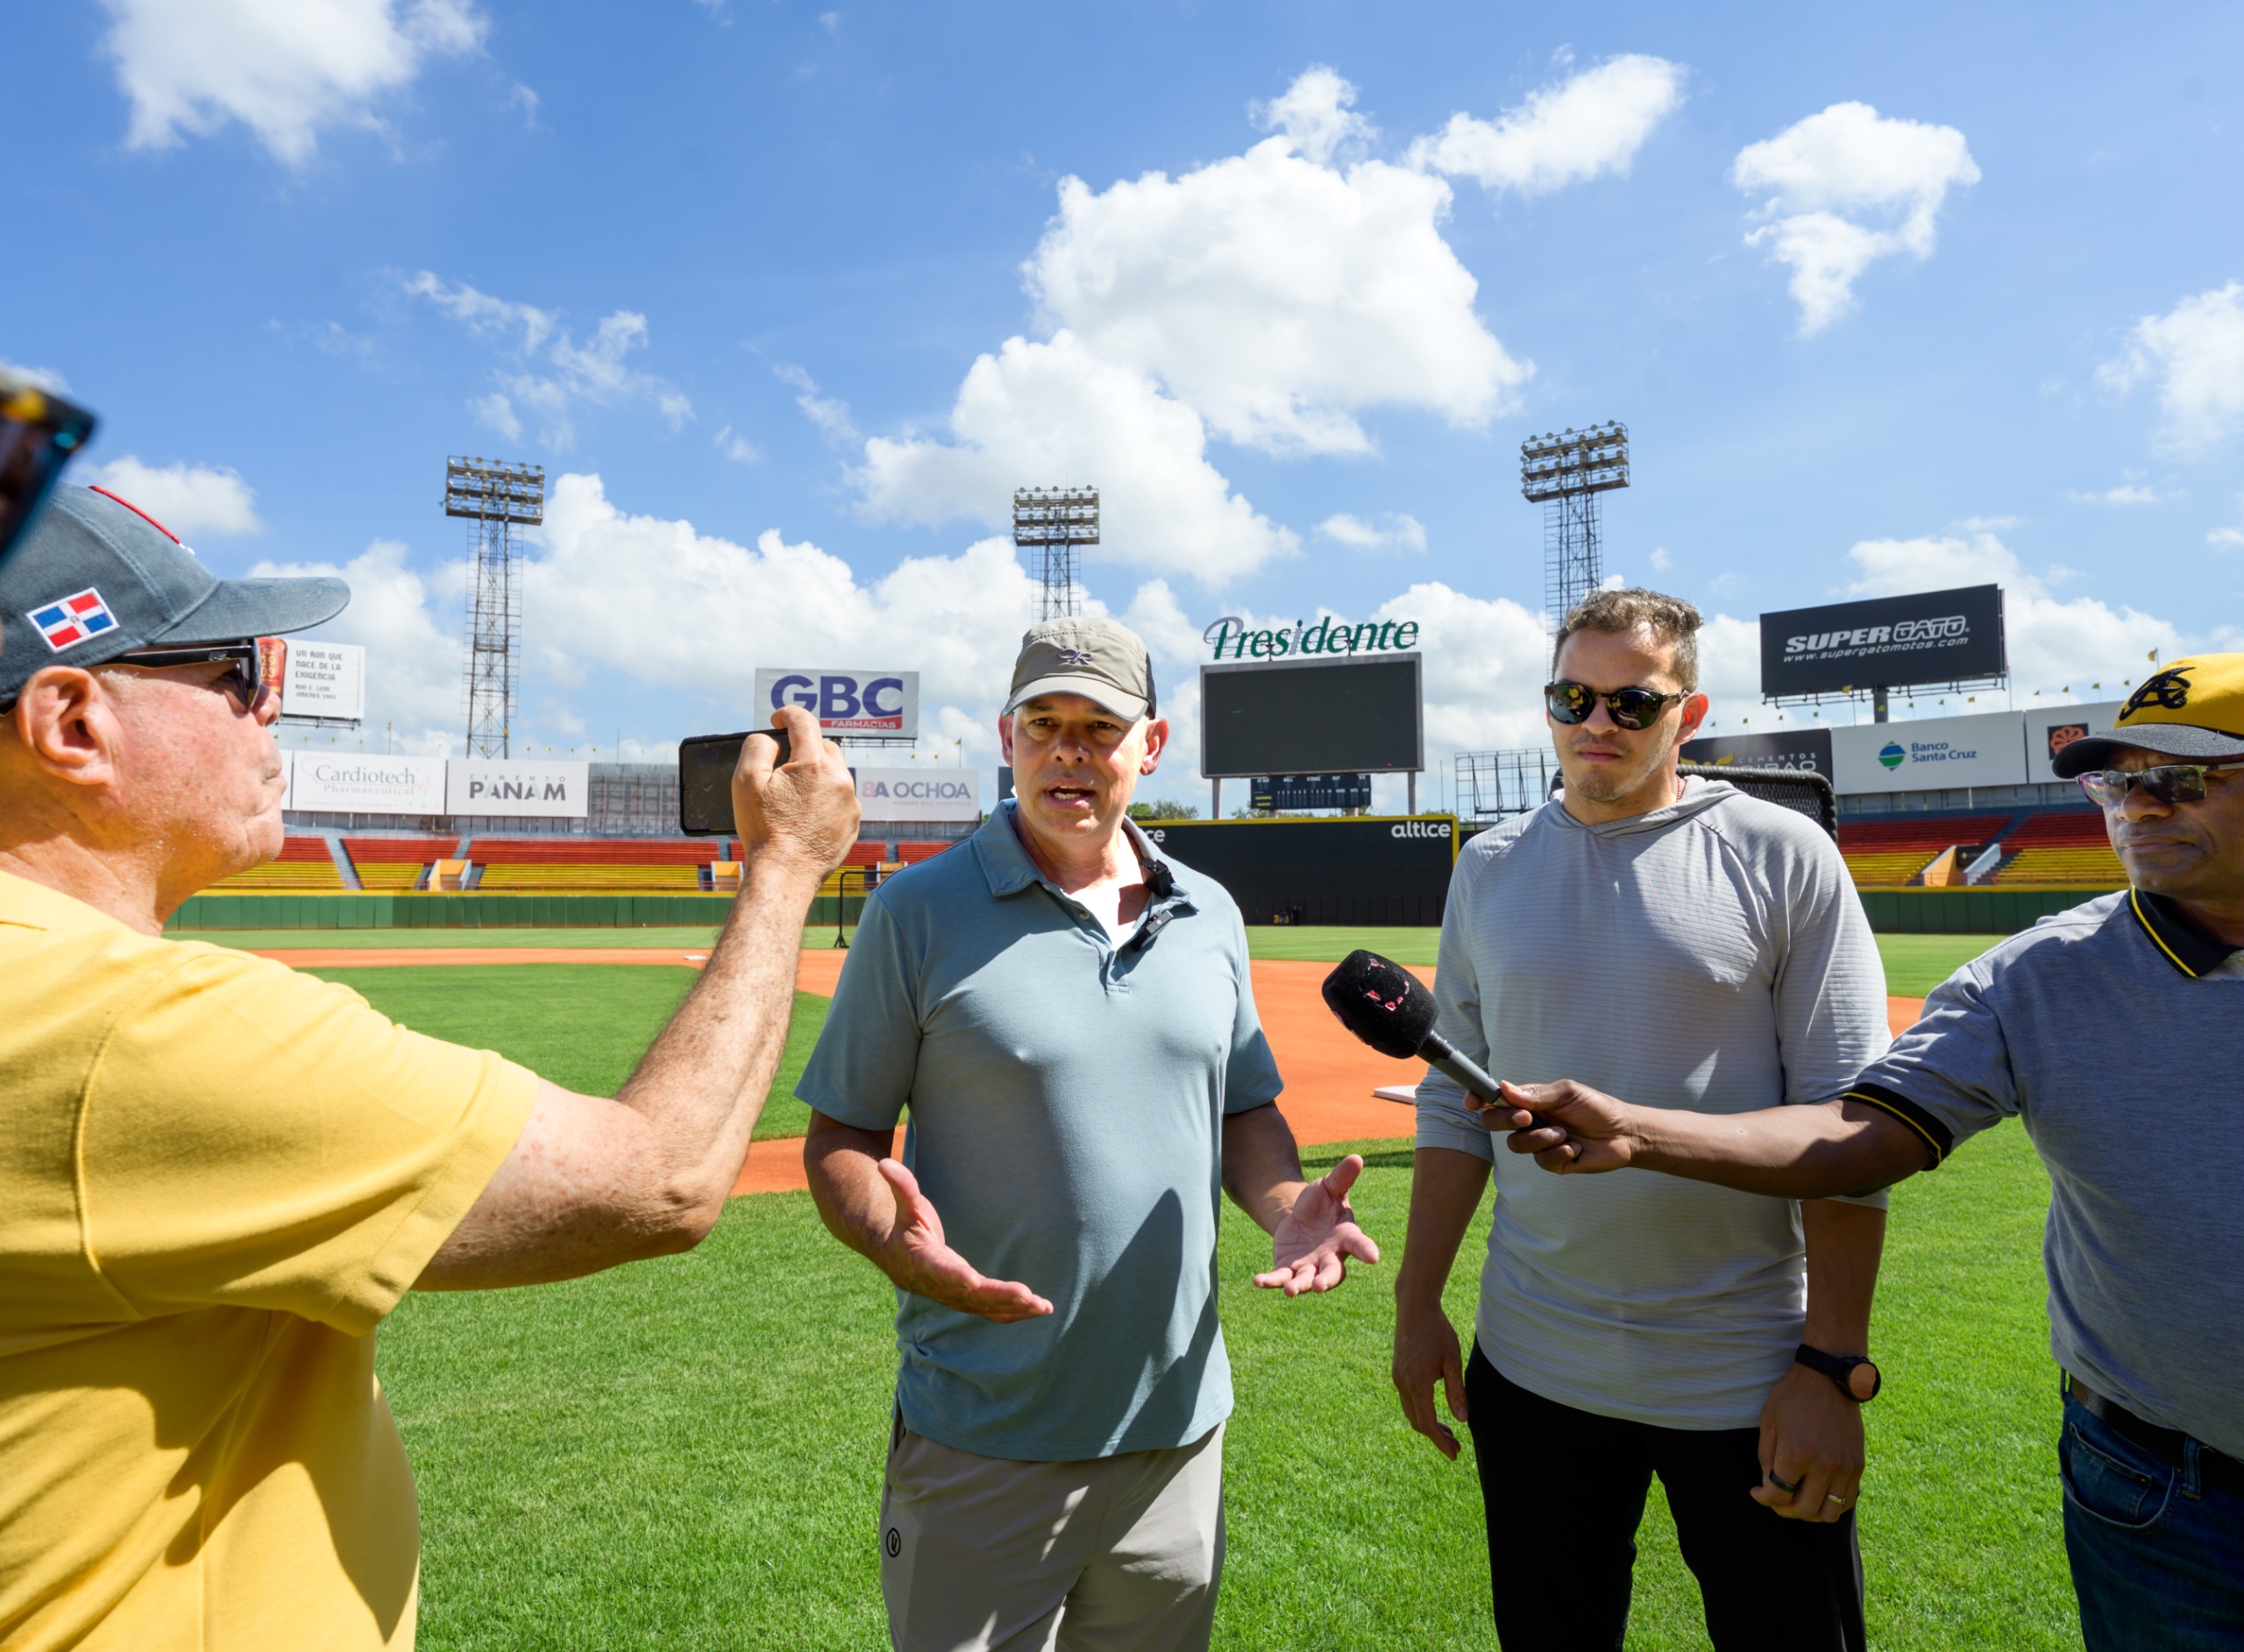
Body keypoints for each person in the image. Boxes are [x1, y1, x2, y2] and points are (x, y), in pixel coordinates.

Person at [0, 484, 862, 1649]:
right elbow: (656, 1178)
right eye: (236, 677)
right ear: (71, 721)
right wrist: (786, 867)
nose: (271, 711)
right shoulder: (130, 1025)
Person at [1494, 653, 2244, 1651]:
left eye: (2181, 781)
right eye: (2120, 781)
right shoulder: (2033, 979)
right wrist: (1638, 1132)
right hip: (2161, 1484)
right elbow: (1860, 1134)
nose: (2140, 809)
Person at [799, 616, 1378, 1652]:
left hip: (1175, 1433)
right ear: (1007, 738)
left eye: (1099, 728)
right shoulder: (915, 912)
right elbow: (841, 1131)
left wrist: (1289, 1209)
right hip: (985, 1432)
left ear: (1147, 747)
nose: (1069, 751)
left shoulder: (1210, 912)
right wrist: (895, 1243)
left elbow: (1242, 1106)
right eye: (1044, 724)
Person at [1392, 589, 1891, 1651]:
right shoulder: (1486, 867)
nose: (1597, 723)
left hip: (1747, 1370)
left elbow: (1853, 1127)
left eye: (1632, 701)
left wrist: (1829, 1365)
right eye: (1573, 696)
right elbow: (1453, 1098)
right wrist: (1416, 1300)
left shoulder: (1782, 853)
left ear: (1688, 711)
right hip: (1531, 1364)